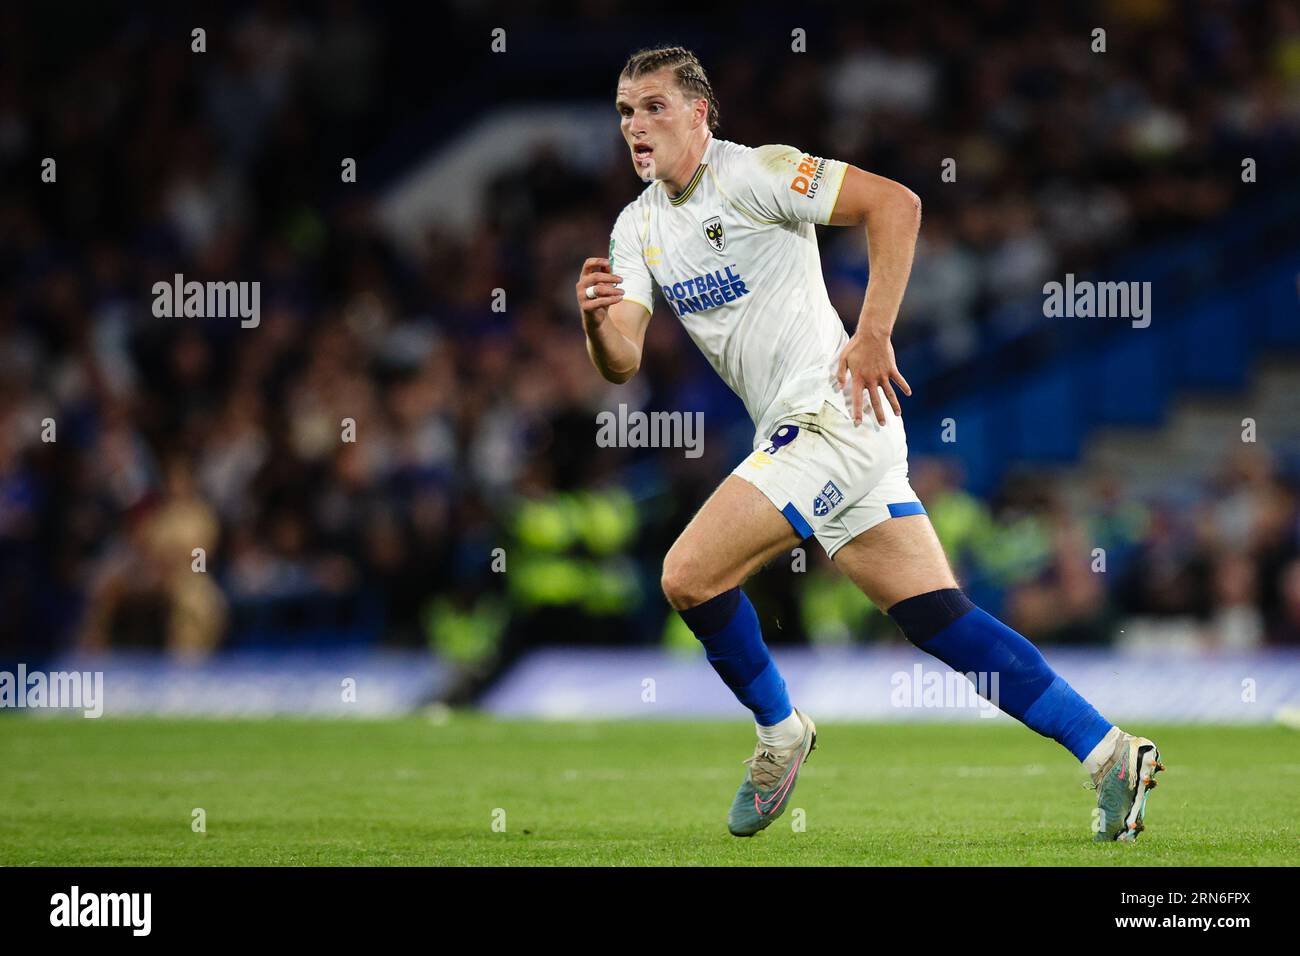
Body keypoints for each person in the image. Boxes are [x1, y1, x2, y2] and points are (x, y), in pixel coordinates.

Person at [575, 46, 1162, 841]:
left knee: (686, 574)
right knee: (941, 620)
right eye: (623, 112)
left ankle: (780, 730)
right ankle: (1108, 753)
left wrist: (873, 331)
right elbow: (623, 362)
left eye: (652, 107)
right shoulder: (636, 227)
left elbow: (897, 204)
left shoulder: (757, 173)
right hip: (828, 429)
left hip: (832, 413)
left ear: (700, 113)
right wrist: (595, 320)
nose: (635, 126)